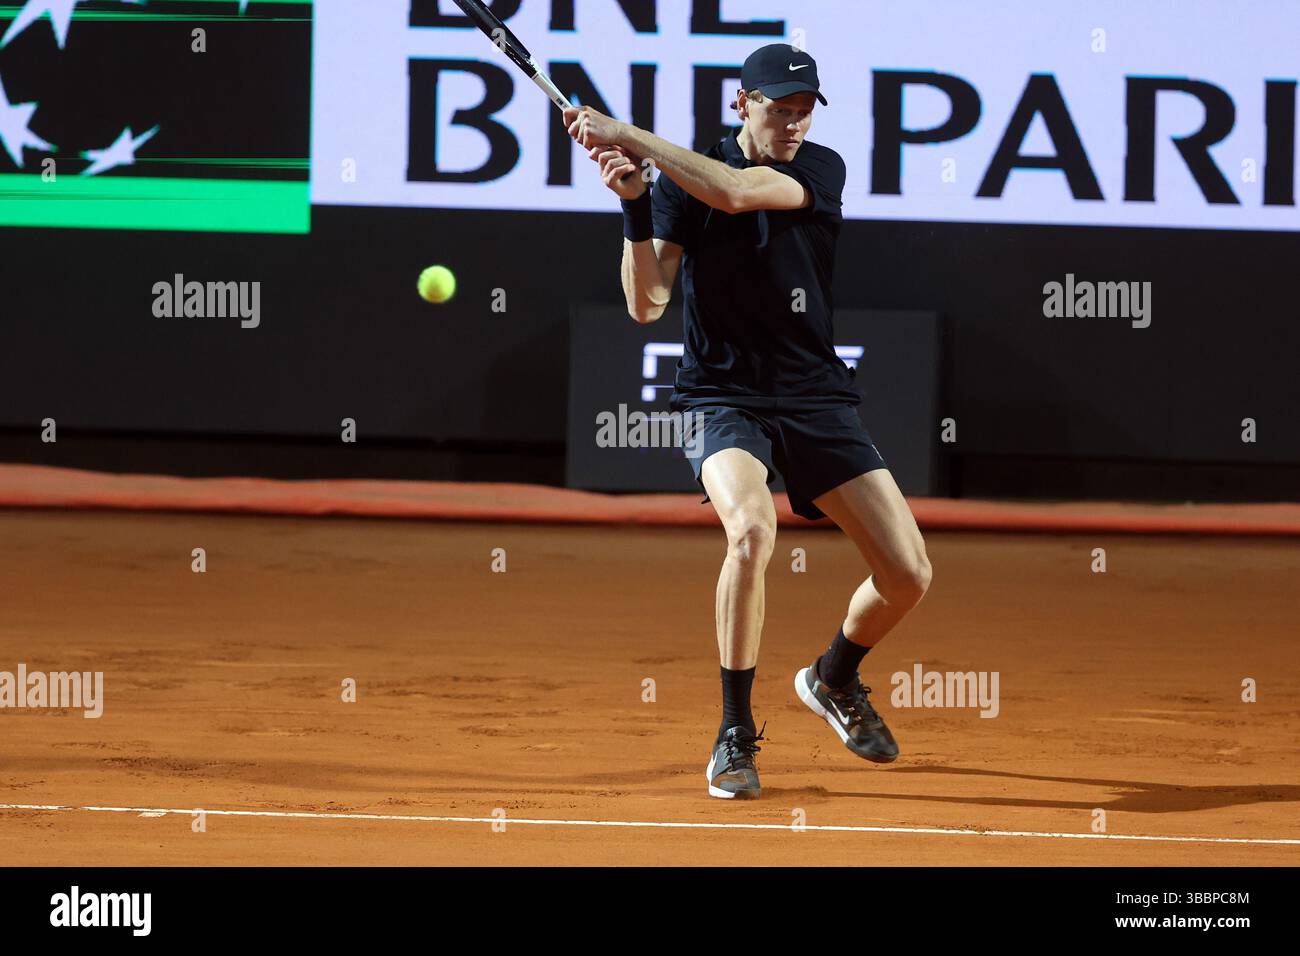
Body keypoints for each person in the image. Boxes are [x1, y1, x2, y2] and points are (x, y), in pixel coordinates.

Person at [566, 43, 932, 800]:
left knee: (907, 575)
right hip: (719, 395)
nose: (794, 123)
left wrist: (628, 134)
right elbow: (647, 305)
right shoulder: (682, 180)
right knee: (752, 530)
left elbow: (733, 192)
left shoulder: (816, 169)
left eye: (804, 110)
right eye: (778, 109)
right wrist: (635, 203)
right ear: (742, 104)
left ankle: (833, 678)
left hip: (814, 394)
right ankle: (735, 732)